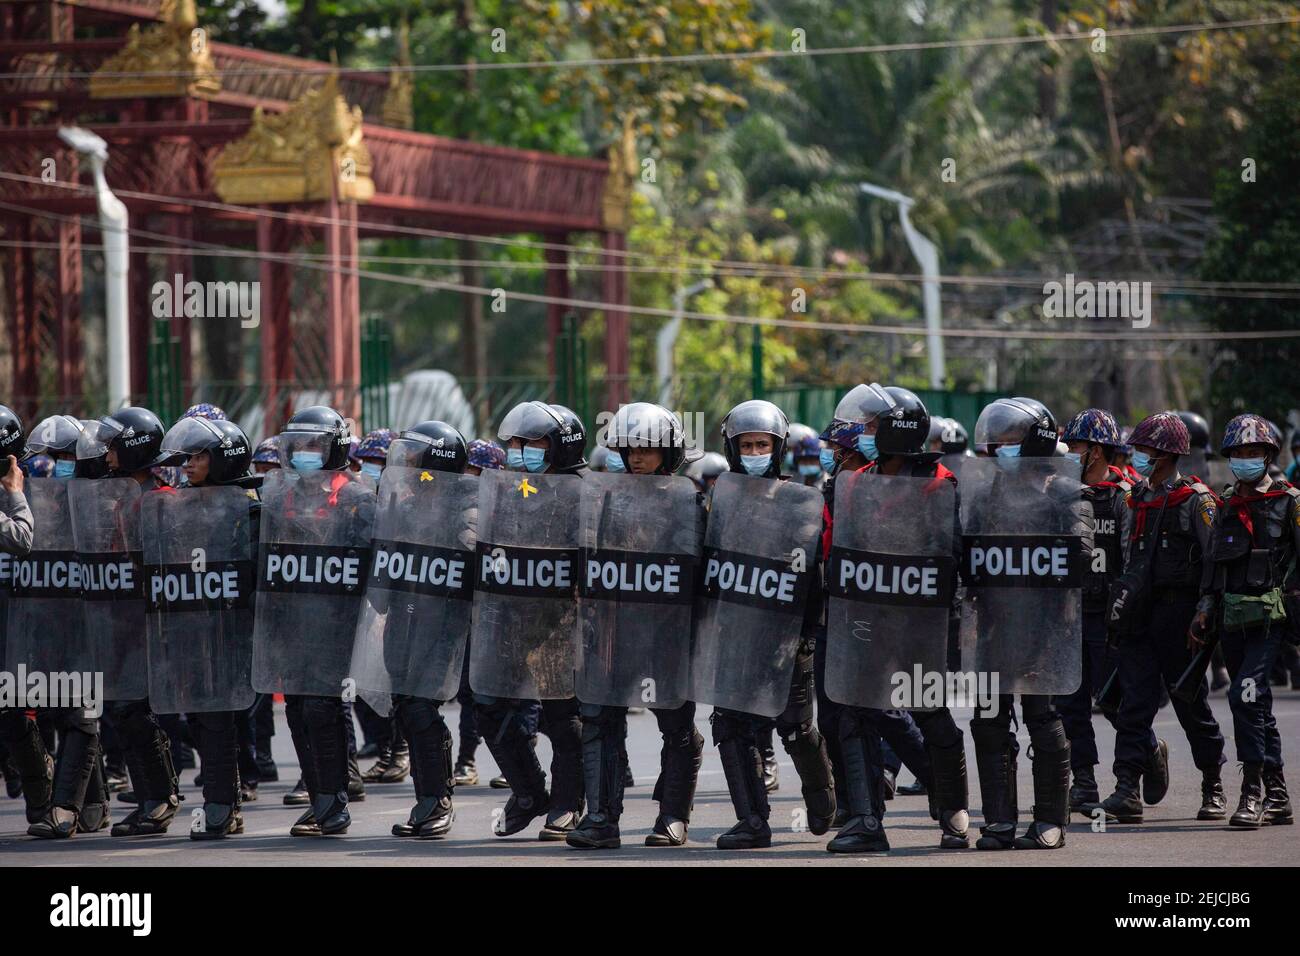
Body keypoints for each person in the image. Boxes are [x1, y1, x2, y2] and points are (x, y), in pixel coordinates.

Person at [823, 387, 971, 854]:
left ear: (894, 432)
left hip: (924, 624)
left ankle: (952, 812)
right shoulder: (855, 480)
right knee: (854, 710)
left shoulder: (941, 483)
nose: (859, 437)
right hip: (866, 620)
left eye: (868, 429)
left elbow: (957, 557)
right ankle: (867, 821)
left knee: (930, 713)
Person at [567, 403, 705, 849]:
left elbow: (702, 570)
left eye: (648, 448)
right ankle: (602, 818)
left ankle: (673, 817)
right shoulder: (603, 499)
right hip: (612, 628)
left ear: (670, 452)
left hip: (666, 631)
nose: (638, 457)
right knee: (600, 717)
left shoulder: (690, 502)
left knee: (675, 722)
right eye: (629, 449)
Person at [703, 399, 836, 849]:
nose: (754, 450)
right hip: (734, 632)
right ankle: (753, 821)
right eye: (746, 444)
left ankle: (822, 792)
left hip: (786, 636)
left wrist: (805, 634)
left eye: (762, 443)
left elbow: (814, 574)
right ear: (732, 448)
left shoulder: (799, 500)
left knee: (794, 727)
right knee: (731, 725)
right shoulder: (720, 498)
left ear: (776, 448)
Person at [964, 397, 1092, 849]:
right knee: (990, 720)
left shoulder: (1066, 493)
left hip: (1046, 628)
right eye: (995, 443)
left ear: (1035, 441)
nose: (1000, 450)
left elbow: (1081, 558)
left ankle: (1050, 820)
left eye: (1009, 442)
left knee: (1043, 717)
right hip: (995, 626)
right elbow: (967, 557)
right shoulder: (984, 496)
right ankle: (999, 821)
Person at [1099, 411, 1227, 824]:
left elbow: (1214, 563)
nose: (1138, 456)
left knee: (1191, 704)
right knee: (1133, 704)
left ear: (1168, 454)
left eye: (1145, 450)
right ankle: (1125, 790)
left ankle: (1214, 785)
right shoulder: (1135, 500)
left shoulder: (1196, 501)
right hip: (1139, 614)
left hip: (1180, 618)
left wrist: (1205, 611)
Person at [473, 402, 587, 840]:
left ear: (559, 446)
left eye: (532, 443)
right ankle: (527, 792)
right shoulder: (508, 488)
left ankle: (566, 806)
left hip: (563, 622)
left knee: (562, 716)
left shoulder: (584, 492)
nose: (519, 451)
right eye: (515, 443)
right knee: (488, 705)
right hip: (509, 618)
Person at [260, 406, 374, 836]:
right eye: (298, 446)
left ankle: (334, 803)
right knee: (298, 713)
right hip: (291, 625)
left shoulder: (357, 498)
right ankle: (318, 798)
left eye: (313, 446)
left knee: (324, 710)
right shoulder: (279, 497)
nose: (304, 454)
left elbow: (368, 567)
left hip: (335, 627)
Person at [150, 415, 261, 839]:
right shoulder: (176, 505)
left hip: (231, 632)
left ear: (222, 458)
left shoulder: (249, 512)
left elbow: (255, 578)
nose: (189, 464)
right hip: (188, 628)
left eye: (199, 456)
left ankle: (220, 806)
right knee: (197, 716)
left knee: (218, 718)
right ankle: (225, 802)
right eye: (188, 456)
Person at [74, 408, 183, 836]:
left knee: (137, 710)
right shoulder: (117, 497)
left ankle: (160, 797)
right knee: (120, 710)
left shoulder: (164, 501)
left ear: (136, 448)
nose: (108, 454)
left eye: (116, 446)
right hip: (119, 620)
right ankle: (149, 795)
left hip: (152, 624)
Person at [372, 420, 477, 838]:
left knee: (420, 707)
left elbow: (467, 561)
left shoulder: (466, 505)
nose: (408, 465)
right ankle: (424, 801)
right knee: (404, 706)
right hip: (403, 620)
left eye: (415, 458)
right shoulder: (404, 504)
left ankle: (438, 801)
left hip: (443, 626)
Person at [1201, 414, 1295, 827]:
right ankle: (1279, 795)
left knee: (1243, 696)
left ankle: (1252, 792)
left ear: (1268, 455)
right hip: (1230, 621)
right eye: (1238, 453)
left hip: (1269, 621)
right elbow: (1211, 567)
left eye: (1253, 452)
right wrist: (1204, 609)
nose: (1245, 459)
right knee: (1256, 705)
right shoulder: (1224, 505)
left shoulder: (1290, 502)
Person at [1056, 409, 1129, 811]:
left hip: (1109, 616)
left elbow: (1134, 558)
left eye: (1077, 447)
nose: (1071, 454)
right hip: (1069, 614)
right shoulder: (1061, 494)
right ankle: (1084, 782)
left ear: (1096, 451)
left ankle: (1145, 756)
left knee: (1114, 700)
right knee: (1071, 704)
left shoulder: (1124, 497)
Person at [0, 406, 52, 828]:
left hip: (23, 613)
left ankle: (41, 795)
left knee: (15, 709)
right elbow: (20, 536)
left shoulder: (43, 489)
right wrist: (14, 493)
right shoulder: (18, 496)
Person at [785, 422, 824, 488]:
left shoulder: (829, 485)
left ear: (821, 461)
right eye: (803, 460)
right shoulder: (787, 482)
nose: (807, 463)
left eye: (812, 460)